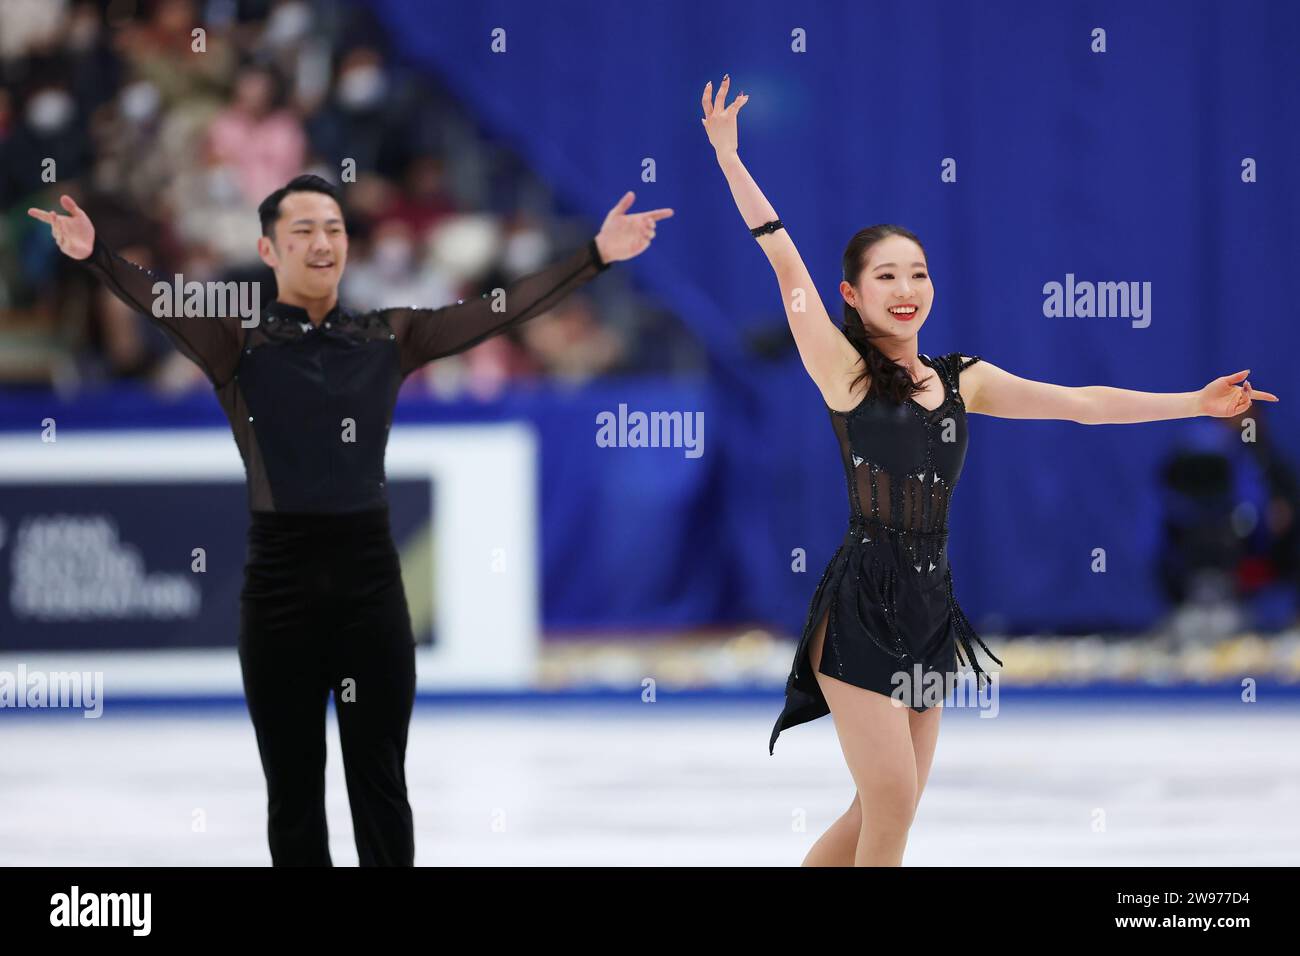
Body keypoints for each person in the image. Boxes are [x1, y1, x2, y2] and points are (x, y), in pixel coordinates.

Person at [698, 73, 1278, 867]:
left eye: (919, 274)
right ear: (854, 295)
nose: (907, 290)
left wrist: (1195, 403)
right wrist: (731, 160)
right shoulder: (845, 375)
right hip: (860, 605)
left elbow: (1082, 403)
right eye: (887, 277)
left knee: (877, 810)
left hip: (932, 606)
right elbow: (785, 267)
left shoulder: (963, 377)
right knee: (893, 804)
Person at [27, 175, 673, 866]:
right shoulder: (233, 342)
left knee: (381, 789)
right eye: (302, 230)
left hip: (370, 592)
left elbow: (494, 311)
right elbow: (157, 299)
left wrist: (594, 257)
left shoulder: (387, 337)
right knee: (295, 795)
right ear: (268, 250)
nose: (322, 241)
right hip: (279, 596)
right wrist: (96, 256)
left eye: (333, 228)